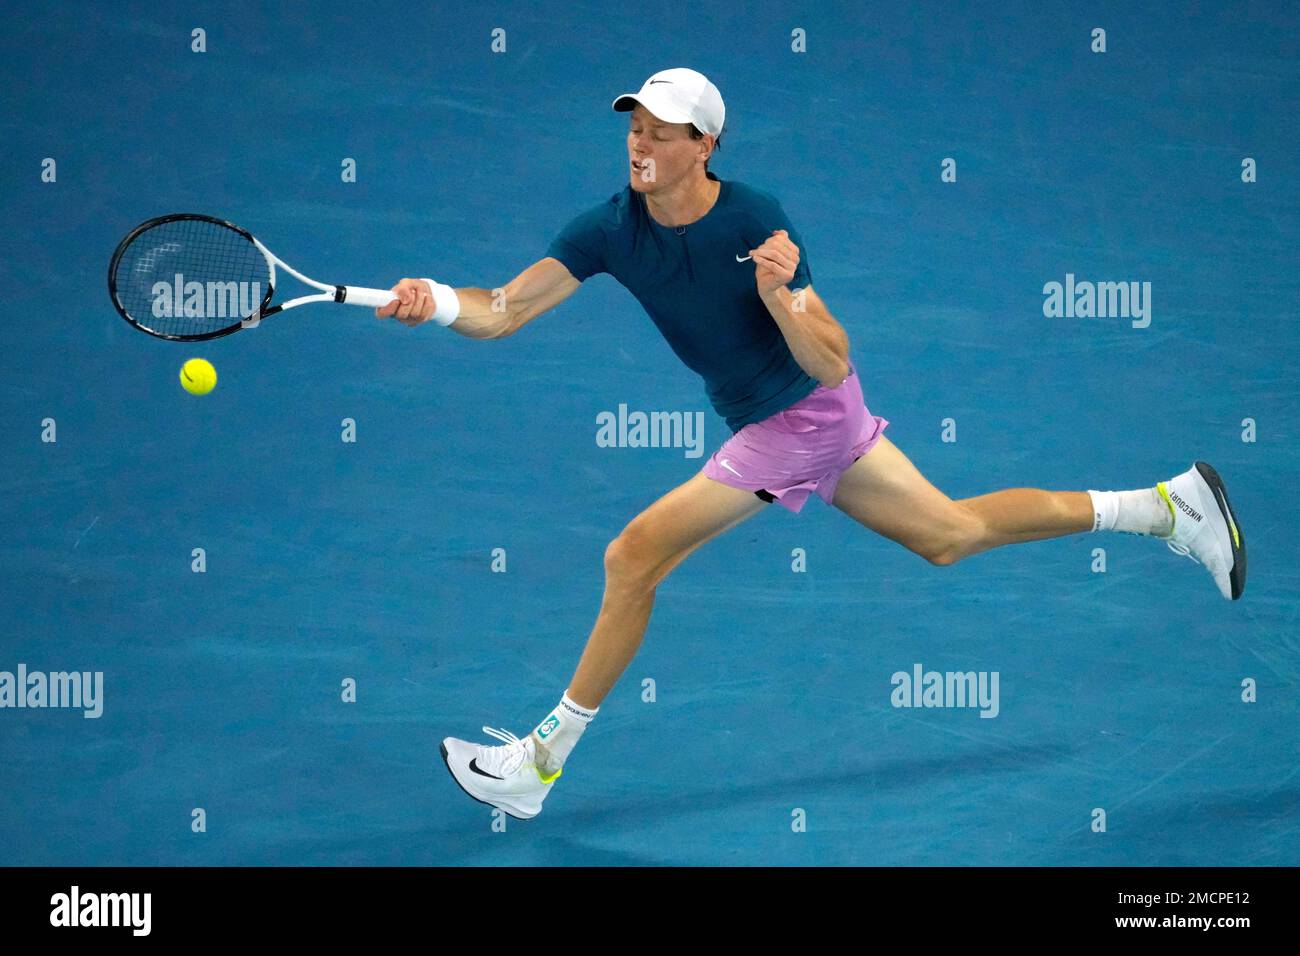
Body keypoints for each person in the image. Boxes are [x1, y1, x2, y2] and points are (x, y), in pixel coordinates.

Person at [376, 68, 1247, 820]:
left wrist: (781, 293)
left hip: (797, 421)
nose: (638, 144)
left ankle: (539, 765)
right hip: (795, 426)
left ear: (703, 145)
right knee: (949, 535)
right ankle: (1165, 506)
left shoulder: (756, 221)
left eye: (659, 132)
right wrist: (436, 302)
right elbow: (504, 309)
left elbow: (831, 364)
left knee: (632, 557)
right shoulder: (608, 228)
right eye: (632, 128)